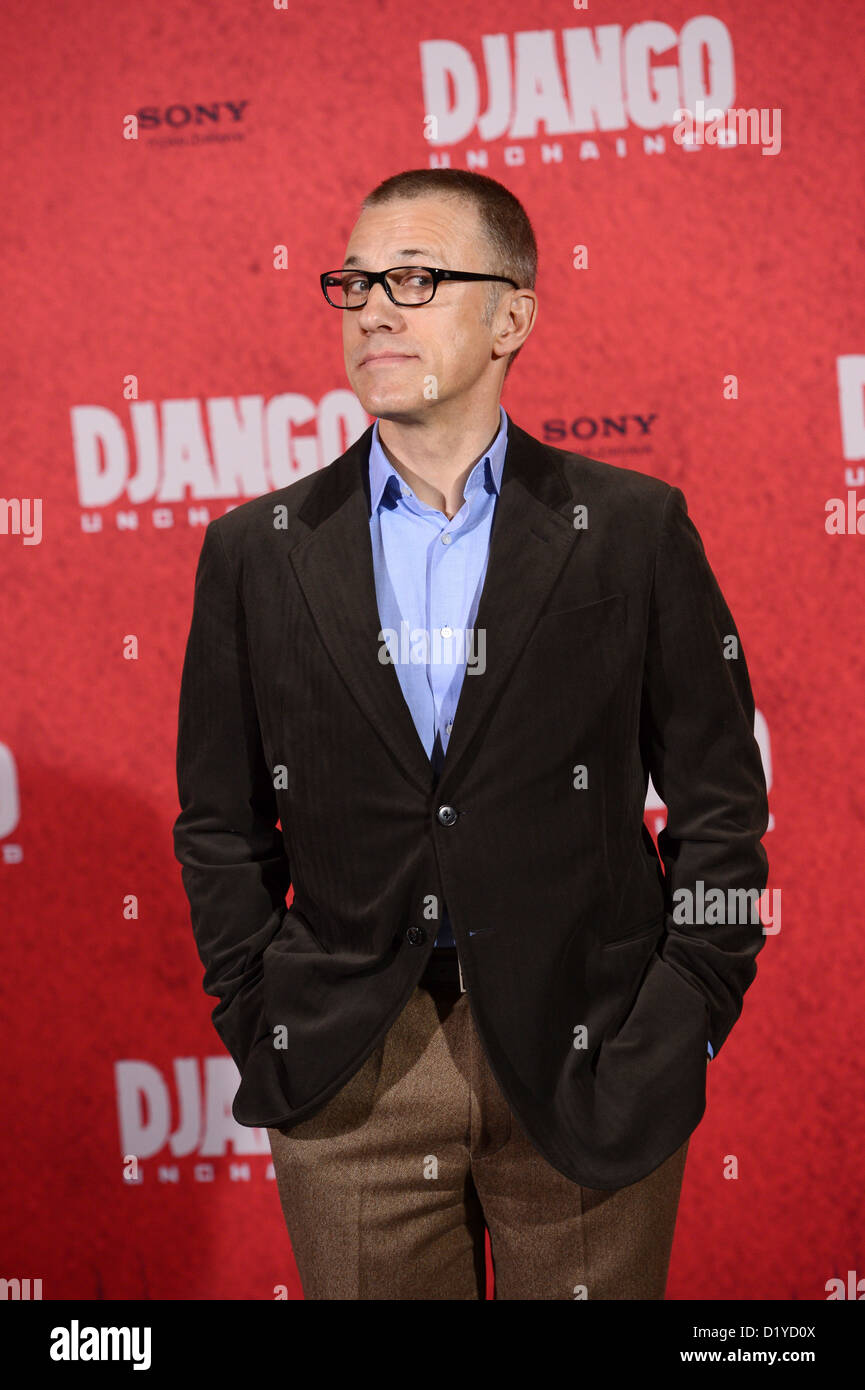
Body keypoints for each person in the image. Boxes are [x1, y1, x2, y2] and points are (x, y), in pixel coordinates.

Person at [173, 167, 769, 1300]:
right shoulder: (257, 550)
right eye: (354, 283)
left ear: (512, 317)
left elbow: (723, 813)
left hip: (592, 1059)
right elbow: (219, 821)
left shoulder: (631, 531)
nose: (372, 310)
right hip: (349, 1072)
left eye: (415, 277)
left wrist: (686, 1012)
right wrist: (259, 1013)